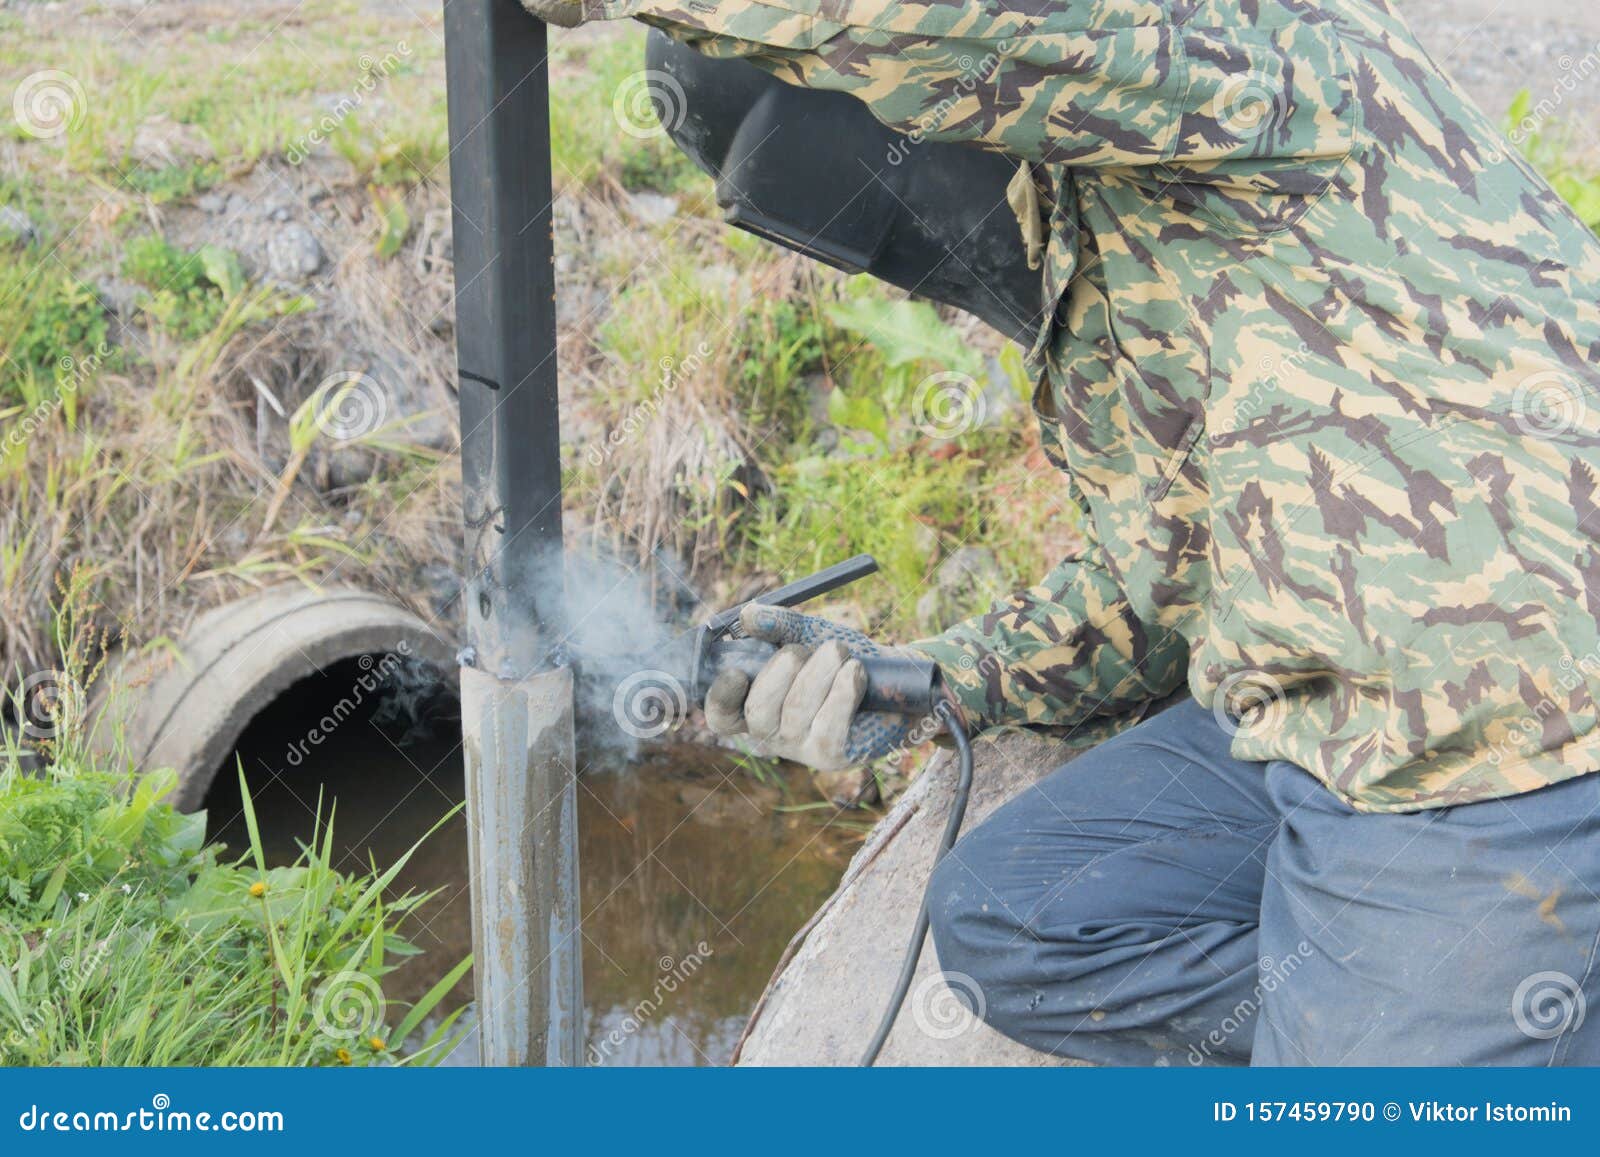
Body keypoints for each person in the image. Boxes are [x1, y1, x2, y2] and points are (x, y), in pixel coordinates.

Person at [528, 0, 1600, 1064]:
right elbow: (1157, 583)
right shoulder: (1112, 203)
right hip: (1324, 702)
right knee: (1020, 918)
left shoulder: (1245, 32)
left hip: (1497, 724)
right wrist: (924, 683)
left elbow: (926, 24)